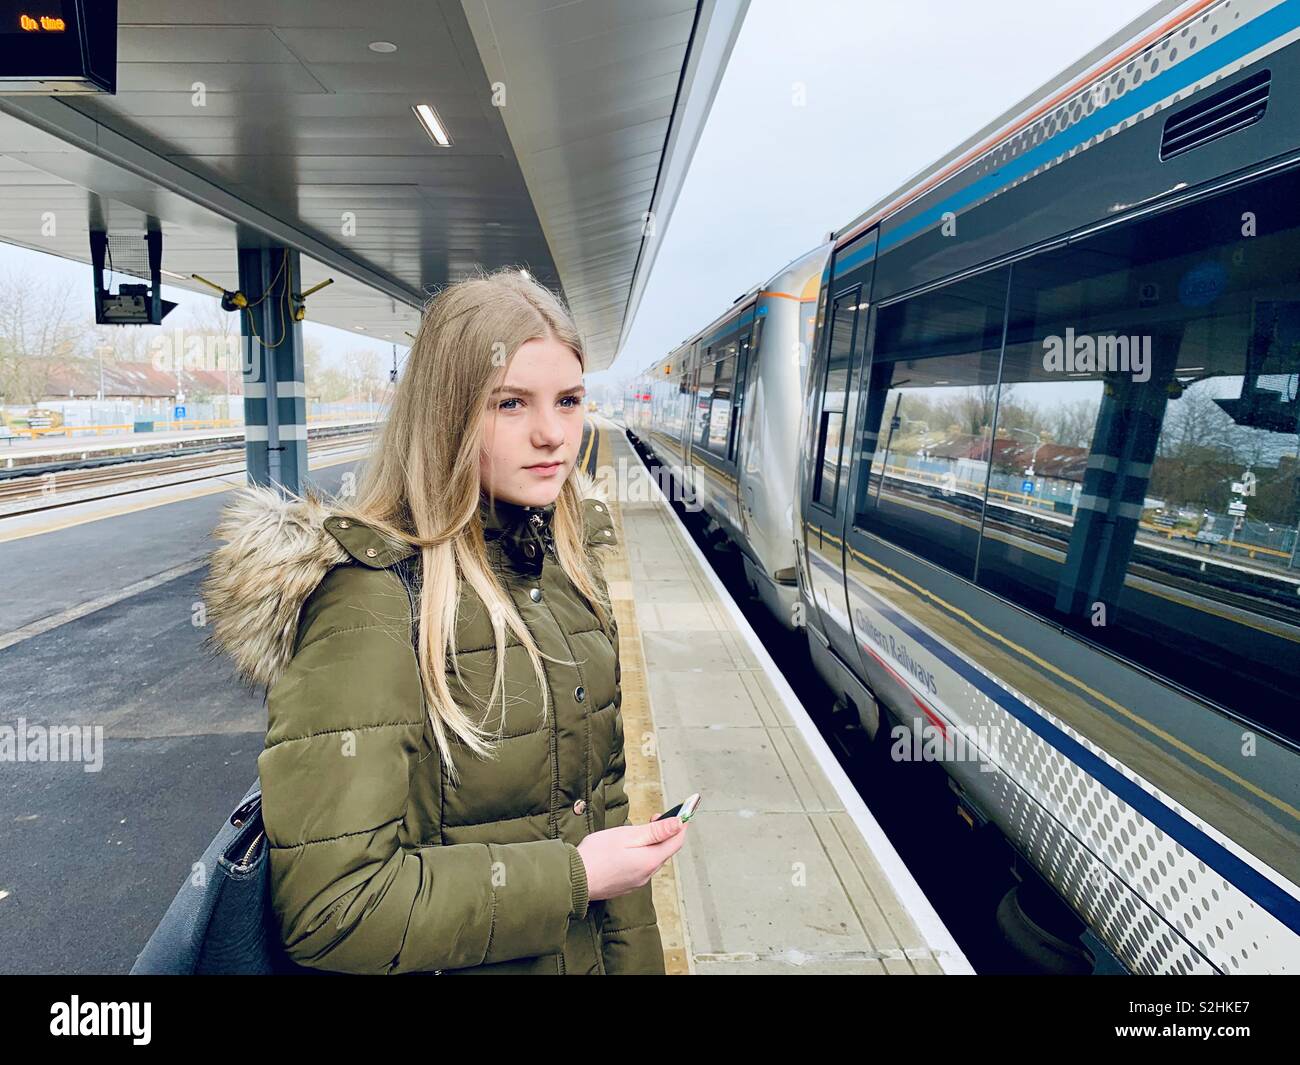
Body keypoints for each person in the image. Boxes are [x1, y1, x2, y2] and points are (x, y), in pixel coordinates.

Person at [200, 267, 686, 974]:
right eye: (511, 403)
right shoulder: (369, 601)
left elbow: (607, 821)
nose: (553, 434)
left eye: (570, 400)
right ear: (446, 413)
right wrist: (572, 877)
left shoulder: (569, 572)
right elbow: (334, 909)